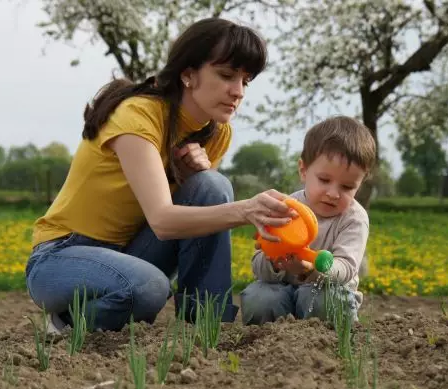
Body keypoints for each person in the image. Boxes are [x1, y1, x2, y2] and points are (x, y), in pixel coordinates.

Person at [24, 18, 297, 334]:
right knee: (149, 287)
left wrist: (192, 178)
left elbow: (203, 220)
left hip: (131, 251)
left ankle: (206, 324)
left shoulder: (216, 131)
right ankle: (68, 321)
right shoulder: (138, 115)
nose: (238, 92)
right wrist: (247, 210)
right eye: (226, 76)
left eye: (246, 81)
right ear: (188, 75)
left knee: (212, 185)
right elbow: (163, 221)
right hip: (62, 255)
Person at [240, 116, 376, 325]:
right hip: (280, 290)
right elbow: (258, 264)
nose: (333, 193)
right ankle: (268, 343)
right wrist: (274, 263)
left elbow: (346, 268)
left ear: (360, 184)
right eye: (324, 180)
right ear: (303, 170)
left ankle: (327, 342)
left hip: (325, 290)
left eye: (347, 187)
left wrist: (310, 269)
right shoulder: (286, 208)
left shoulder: (354, 218)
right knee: (259, 298)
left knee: (324, 301)